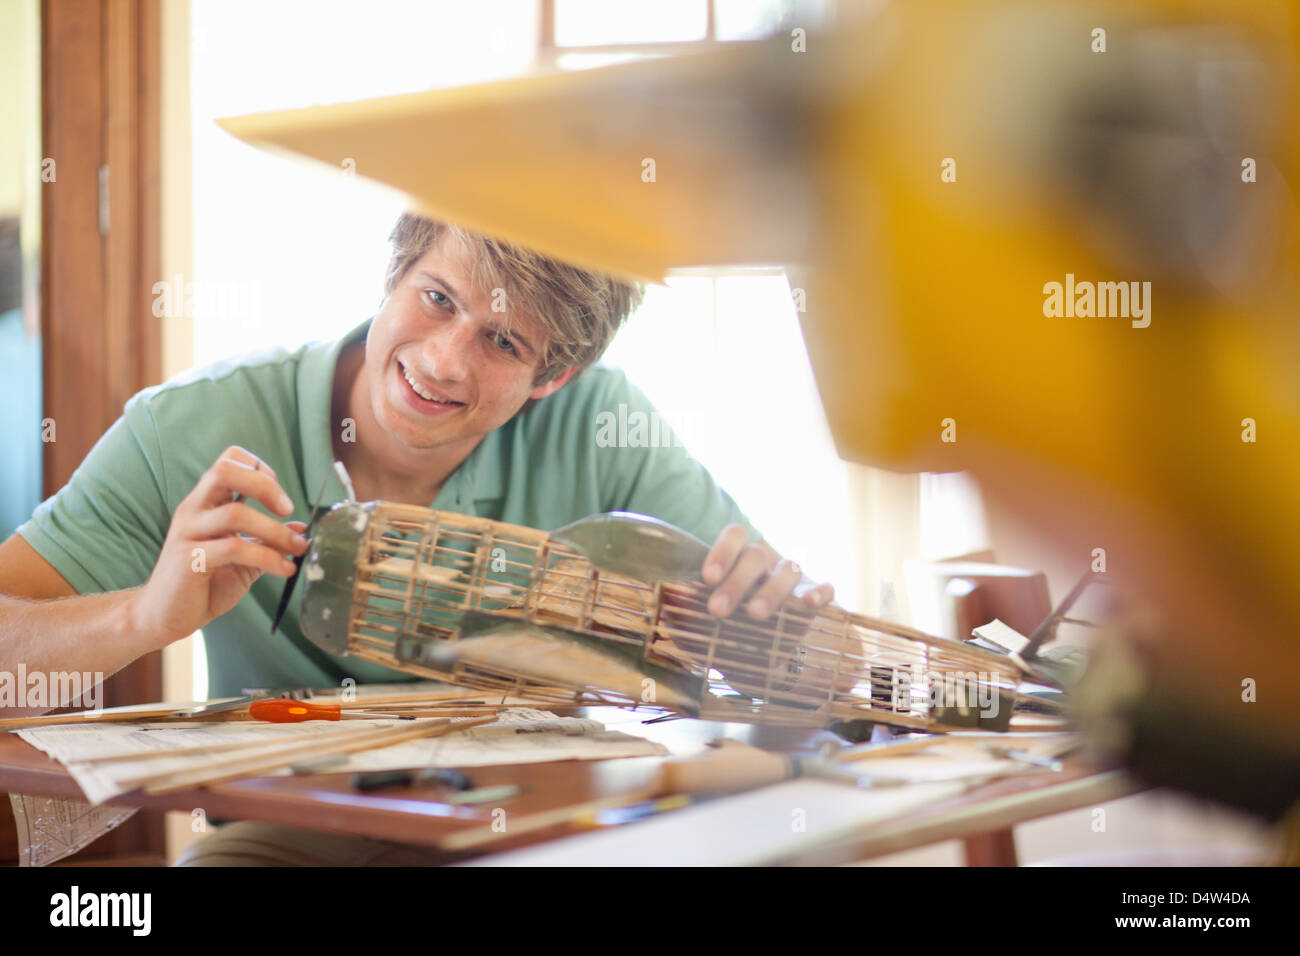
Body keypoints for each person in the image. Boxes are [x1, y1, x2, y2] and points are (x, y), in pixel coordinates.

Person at [0, 213, 833, 864]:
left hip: (543, 825)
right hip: (296, 832)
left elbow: (803, 662)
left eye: (502, 342)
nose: (442, 362)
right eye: (437, 299)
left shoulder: (602, 427)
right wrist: (143, 618)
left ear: (555, 378)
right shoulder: (190, 428)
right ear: (393, 275)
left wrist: (768, 633)